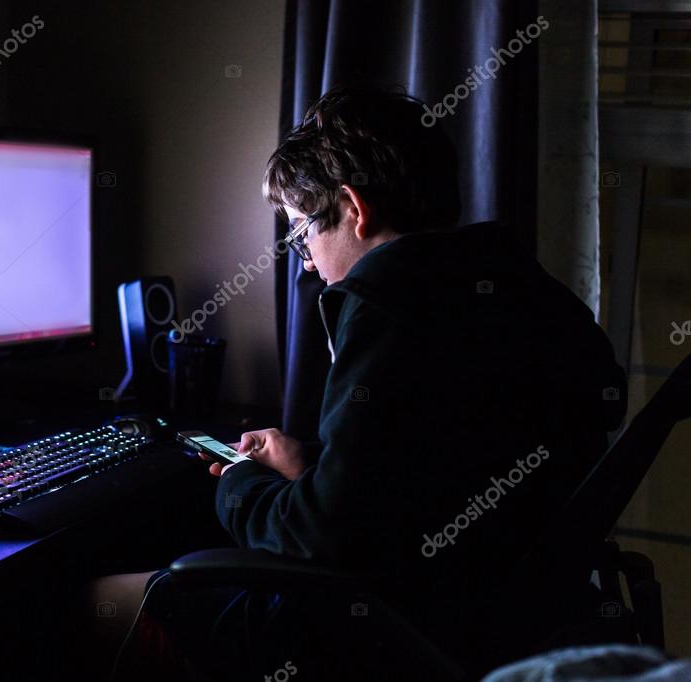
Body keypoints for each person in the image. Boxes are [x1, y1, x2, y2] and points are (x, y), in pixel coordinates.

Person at [88, 83, 627, 680]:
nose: (308, 262)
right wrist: (314, 467)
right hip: (504, 616)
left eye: (302, 234)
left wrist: (238, 485)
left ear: (353, 207)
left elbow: (320, 537)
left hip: (391, 629)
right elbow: (434, 471)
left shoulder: (389, 302)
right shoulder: (517, 287)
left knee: (96, 599)